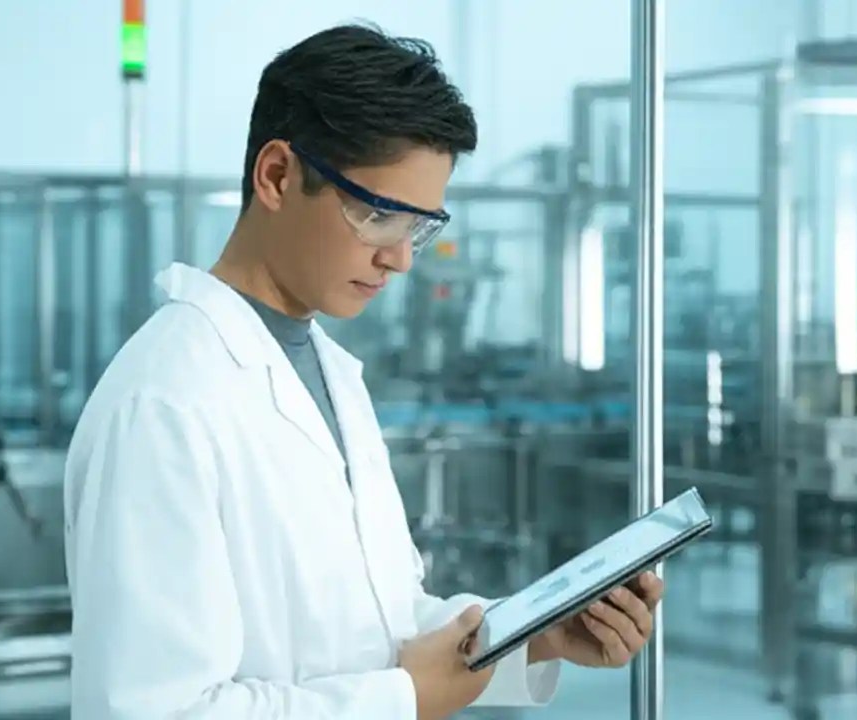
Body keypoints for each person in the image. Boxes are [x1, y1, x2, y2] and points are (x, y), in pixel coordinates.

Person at [63, 23, 665, 720]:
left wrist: (532, 636)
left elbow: (382, 620)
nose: (400, 258)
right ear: (278, 176)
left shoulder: (327, 372)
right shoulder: (165, 402)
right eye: (379, 215)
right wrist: (403, 698)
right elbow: (155, 711)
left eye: (419, 227)